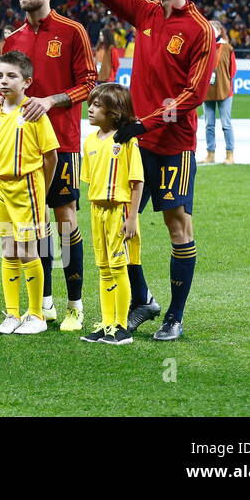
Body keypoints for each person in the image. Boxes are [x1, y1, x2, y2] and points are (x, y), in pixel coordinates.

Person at [64, 0, 213, 341]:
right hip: (137, 141)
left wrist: (145, 123)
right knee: (119, 224)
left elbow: (193, 95)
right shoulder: (145, 14)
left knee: (177, 225)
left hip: (172, 144)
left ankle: (175, 316)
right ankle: (143, 300)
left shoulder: (200, 30)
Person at [0, 0, 96, 331]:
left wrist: (51, 101)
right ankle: (42, 303)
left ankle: (75, 305)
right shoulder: (12, 39)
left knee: (65, 222)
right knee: (33, 227)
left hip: (60, 142)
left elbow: (89, 84)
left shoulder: (71, 31)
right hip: (20, 149)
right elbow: (7, 89)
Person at [0, 50, 58, 335]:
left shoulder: (34, 113)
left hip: (27, 187)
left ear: (27, 81)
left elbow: (51, 156)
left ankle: (36, 314)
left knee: (27, 250)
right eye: (0, 75)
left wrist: (43, 192)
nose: (4, 81)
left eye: (11, 76)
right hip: (0, 187)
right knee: (8, 249)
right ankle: (12, 314)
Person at [79, 83, 144, 345]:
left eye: (97, 105)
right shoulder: (90, 141)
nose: (90, 109)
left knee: (119, 269)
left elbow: (136, 182)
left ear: (114, 112)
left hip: (119, 211)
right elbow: (90, 180)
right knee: (104, 268)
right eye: (91, 104)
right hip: (97, 211)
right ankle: (107, 323)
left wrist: (132, 218)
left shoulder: (127, 141)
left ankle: (121, 326)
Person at [203, 20, 237, 163]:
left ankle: (230, 155)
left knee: (226, 124)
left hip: (224, 91)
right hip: (207, 91)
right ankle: (210, 154)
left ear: (219, 31)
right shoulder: (203, 48)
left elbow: (232, 71)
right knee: (208, 125)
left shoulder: (227, 48)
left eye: (213, 28)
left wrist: (224, 83)